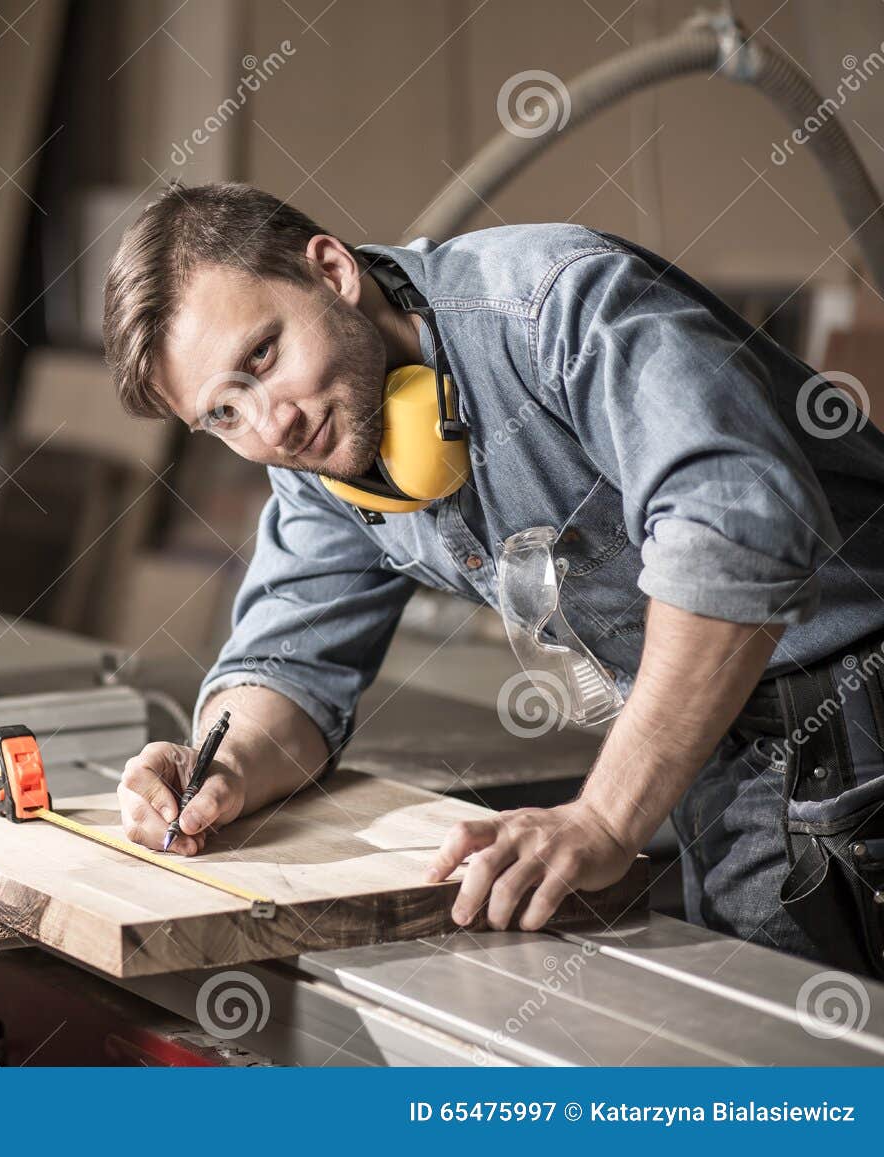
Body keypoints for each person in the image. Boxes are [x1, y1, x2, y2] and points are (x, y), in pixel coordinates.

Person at [101, 181, 884, 975]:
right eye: (224, 413)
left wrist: (605, 818)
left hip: (853, 693)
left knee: (790, 1034)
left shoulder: (555, 306)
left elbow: (735, 531)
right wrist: (225, 765)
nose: (273, 423)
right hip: (716, 730)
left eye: (263, 357)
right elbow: (288, 665)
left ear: (332, 271)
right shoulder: (319, 452)